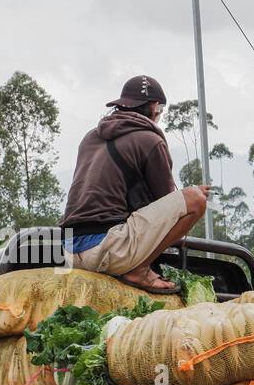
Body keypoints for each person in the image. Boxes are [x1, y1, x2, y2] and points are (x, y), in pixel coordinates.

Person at [60, 75, 210, 293]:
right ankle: (139, 270)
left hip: (68, 250)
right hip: (108, 248)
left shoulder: (90, 138)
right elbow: (166, 203)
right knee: (196, 199)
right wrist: (192, 193)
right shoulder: (150, 140)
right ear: (154, 107)